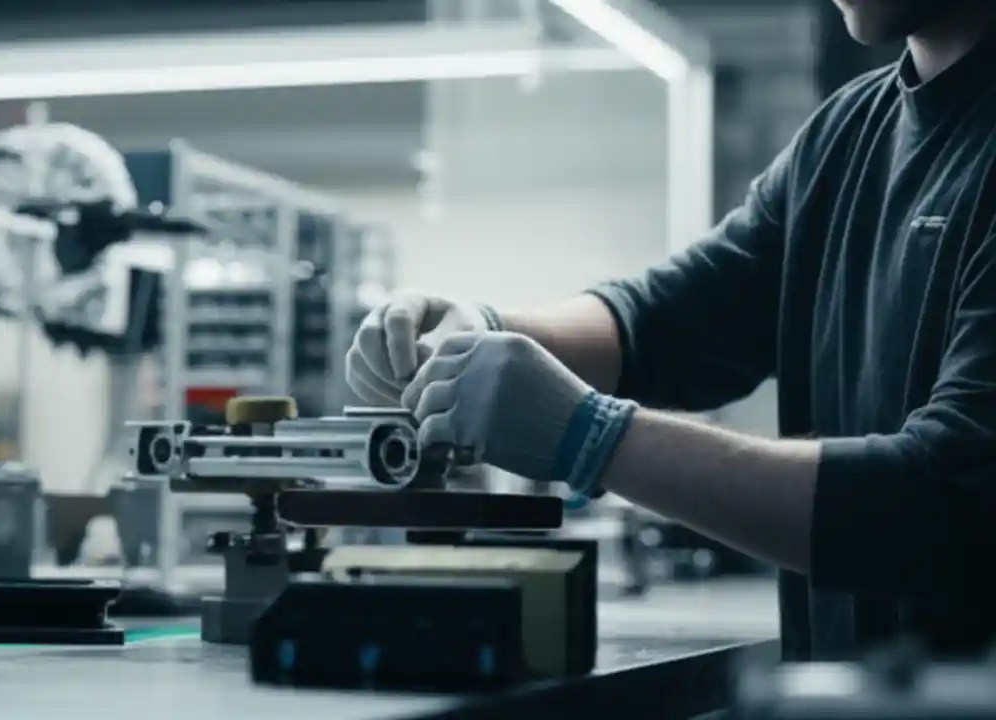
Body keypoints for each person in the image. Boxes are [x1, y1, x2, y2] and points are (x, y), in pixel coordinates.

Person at [346, 0, 996, 662]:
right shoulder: (847, 135)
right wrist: (481, 330)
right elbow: (669, 321)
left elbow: (945, 500)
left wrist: (590, 436)